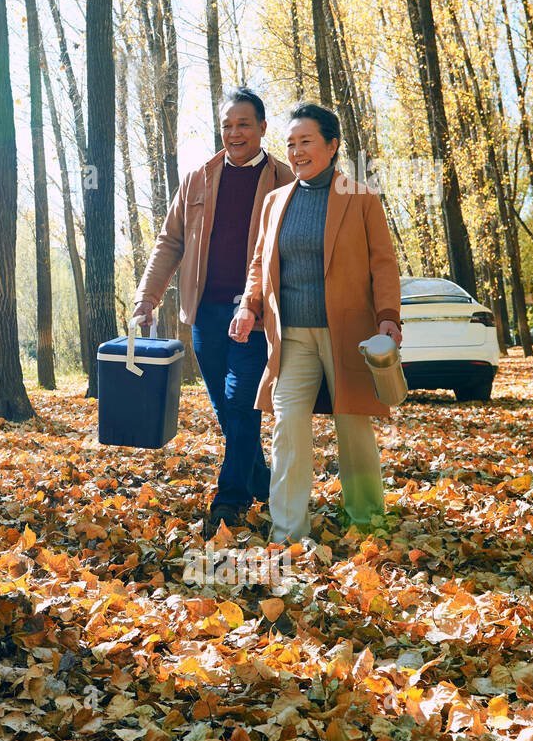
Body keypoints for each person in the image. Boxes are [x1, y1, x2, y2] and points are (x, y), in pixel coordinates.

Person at [230, 102, 402, 545]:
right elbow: (258, 262)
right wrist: (248, 305)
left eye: (306, 141)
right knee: (288, 424)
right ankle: (288, 532)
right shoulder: (274, 201)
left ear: (332, 146)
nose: (297, 151)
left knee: (353, 426)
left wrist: (388, 318)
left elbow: (383, 264)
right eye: (290, 144)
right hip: (291, 337)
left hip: (348, 333)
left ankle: (366, 522)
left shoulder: (359, 198)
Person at [132, 87, 296, 536]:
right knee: (229, 409)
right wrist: (148, 295)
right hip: (205, 313)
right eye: (227, 125)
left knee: (242, 398)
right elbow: (170, 241)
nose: (234, 133)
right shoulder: (198, 178)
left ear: (263, 129)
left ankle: (229, 499)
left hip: (257, 313)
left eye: (244, 124)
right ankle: (260, 478)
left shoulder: (284, 180)